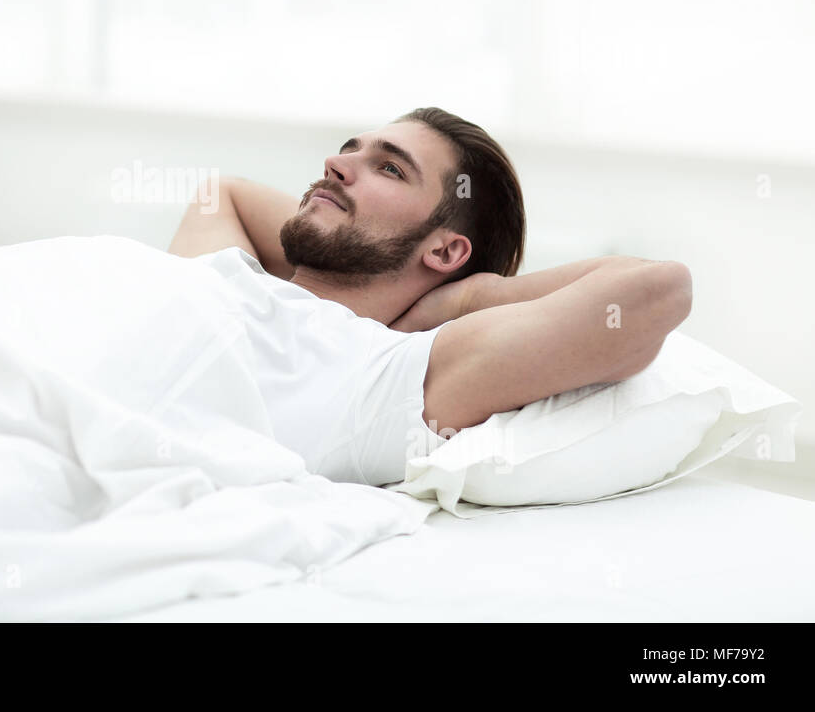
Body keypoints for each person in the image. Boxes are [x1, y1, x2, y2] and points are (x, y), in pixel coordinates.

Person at [168, 106, 692, 481]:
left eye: (390, 168)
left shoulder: (385, 374)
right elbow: (225, 191)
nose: (334, 163)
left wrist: (464, 301)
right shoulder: (228, 272)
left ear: (445, 253)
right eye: (351, 150)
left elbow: (657, 291)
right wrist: (340, 228)